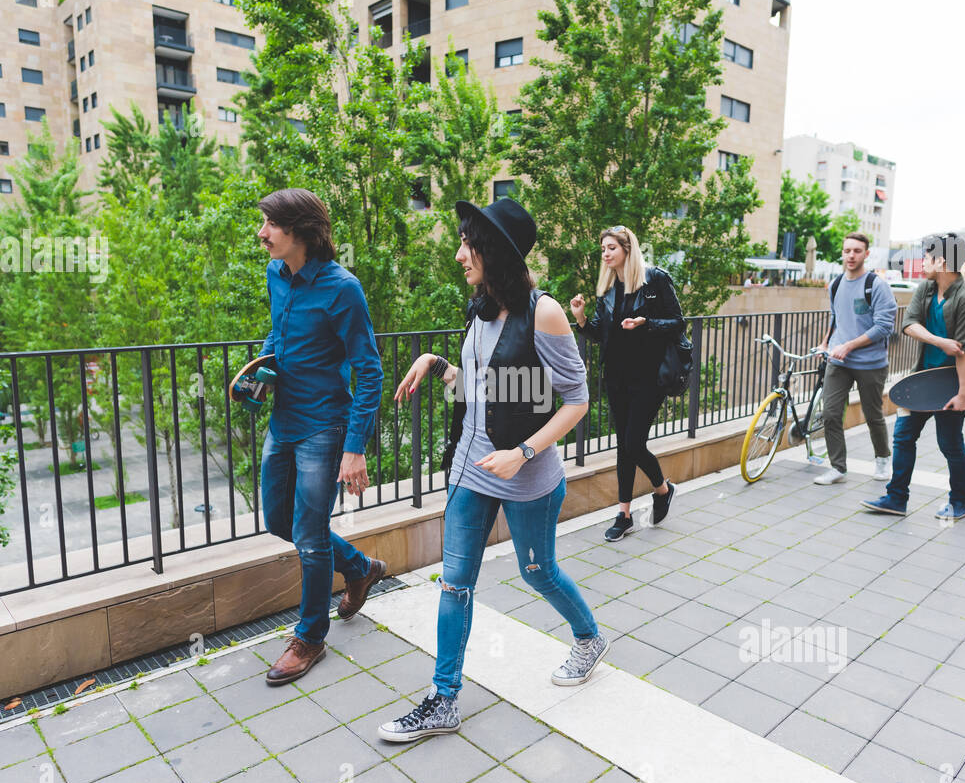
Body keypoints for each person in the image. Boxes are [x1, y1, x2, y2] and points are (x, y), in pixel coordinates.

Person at [377, 198, 606, 742]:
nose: (459, 254)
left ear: (495, 251)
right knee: (455, 582)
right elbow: (487, 388)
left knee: (536, 572)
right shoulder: (481, 306)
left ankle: (589, 637)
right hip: (469, 468)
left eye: (467, 243)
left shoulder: (543, 312)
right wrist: (437, 365)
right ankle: (443, 699)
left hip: (526, 475)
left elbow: (577, 400)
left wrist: (523, 451)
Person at [250, 189, 388, 686]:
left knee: (309, 537)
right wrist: (258, 371)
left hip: (325, 427)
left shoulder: (341, 289)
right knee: (279, 521)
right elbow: (277, 337)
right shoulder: (275, 274)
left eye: (270, 225)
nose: (261, 233)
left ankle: (310, 637)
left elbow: (368, 371)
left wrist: (355, 448)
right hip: (283, 422)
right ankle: (359, 567)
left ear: (301, 231)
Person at [569, 225, 685, 541]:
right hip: (616, 379)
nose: (605, 254)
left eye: (611, 248)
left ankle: (662, 489)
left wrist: (646, 323)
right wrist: (580, 319)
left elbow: (678, 322)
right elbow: (598, 334)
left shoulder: (655, 281)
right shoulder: (608, 291)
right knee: (624, 445)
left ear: (627, 249)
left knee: (633, 443)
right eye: (603, 249)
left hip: (650, 377)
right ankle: (624, 514)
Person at [862, 232, 965, 520]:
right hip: (921, 379)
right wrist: (940, 341)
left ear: (942, 260)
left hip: (951, 383)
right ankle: (896, 498)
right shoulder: (926, 289)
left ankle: (960, 501)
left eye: (927, 257)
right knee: (903, 437)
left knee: (950, 444)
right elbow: (908, 324)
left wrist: (964, 393)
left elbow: (964, 350)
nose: (922, 263)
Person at [813, 232, 896, 485]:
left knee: (873, 415)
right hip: (839, 362)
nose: (851, 255)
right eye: (847, 250)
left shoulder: (876, 285)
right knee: (830, 414)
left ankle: (882, 458)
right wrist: (826, 342)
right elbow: (835, 317)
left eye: (857, 251)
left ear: (866, 254)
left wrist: (849, 346)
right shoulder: (836, 284)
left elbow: (884, 327)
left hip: (870, 364)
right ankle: (838, 467)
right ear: (842, 252)